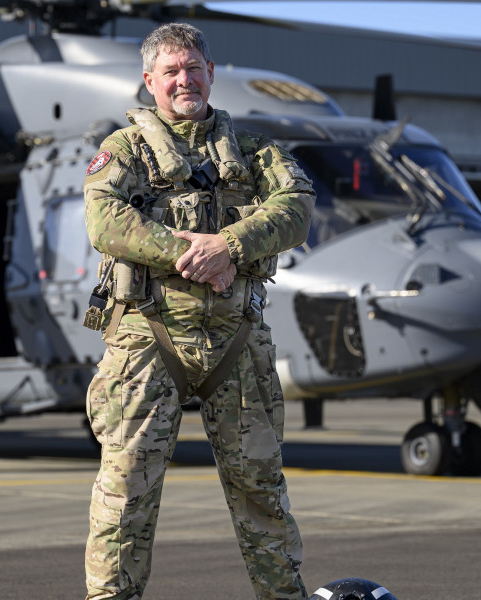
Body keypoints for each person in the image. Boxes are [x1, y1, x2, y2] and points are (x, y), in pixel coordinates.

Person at [81, 22, 315, 600]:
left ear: (211, 73)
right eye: (171, 72)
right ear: (149, 82)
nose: (183, 80)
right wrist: (192, 254)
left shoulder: (256, 152)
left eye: (193, 69)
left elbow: (299, 207)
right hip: (148, 339)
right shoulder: (125, 149)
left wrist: (231, 246)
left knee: (261, 488)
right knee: (126, 491)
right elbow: (104, 221)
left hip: (236, 340)